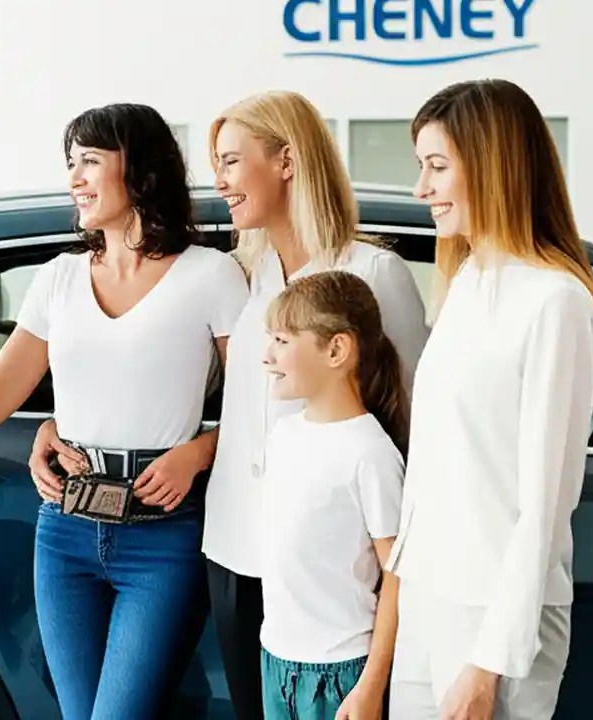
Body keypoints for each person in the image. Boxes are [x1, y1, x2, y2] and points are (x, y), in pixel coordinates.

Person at [31, 89, 428, 720]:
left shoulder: (375, 274)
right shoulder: (247, 274)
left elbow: (413, 428)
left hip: (332, 562)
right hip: (236, 547)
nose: (218, 182)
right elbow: (141, 371)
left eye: (232, 162)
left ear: (289, 161)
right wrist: (54, 421)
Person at [0, 103, 249, 719]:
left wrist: (200, 451)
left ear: (140, 172)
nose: (75, 178)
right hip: (64, 530)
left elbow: (263, 408)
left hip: (164, 537)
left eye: (91, 161)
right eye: (71, 163)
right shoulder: (59, 279)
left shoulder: (211, 275)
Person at [386, 78, 593, 720]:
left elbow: (544, 506)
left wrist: (488, 664)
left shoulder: (555, 301)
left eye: (437, 167)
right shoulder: (463, 282)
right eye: (421, 167)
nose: (421, 189)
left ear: (492, 166)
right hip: (430, 602)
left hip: (494, 622)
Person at [255, 270, 406, 720]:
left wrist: (371, 686)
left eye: (282, 340)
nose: (268, 356)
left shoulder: (370, 454)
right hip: (276, 658)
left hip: (342, 672)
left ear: (337, 349)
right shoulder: (283, 435)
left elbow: (398, 579)